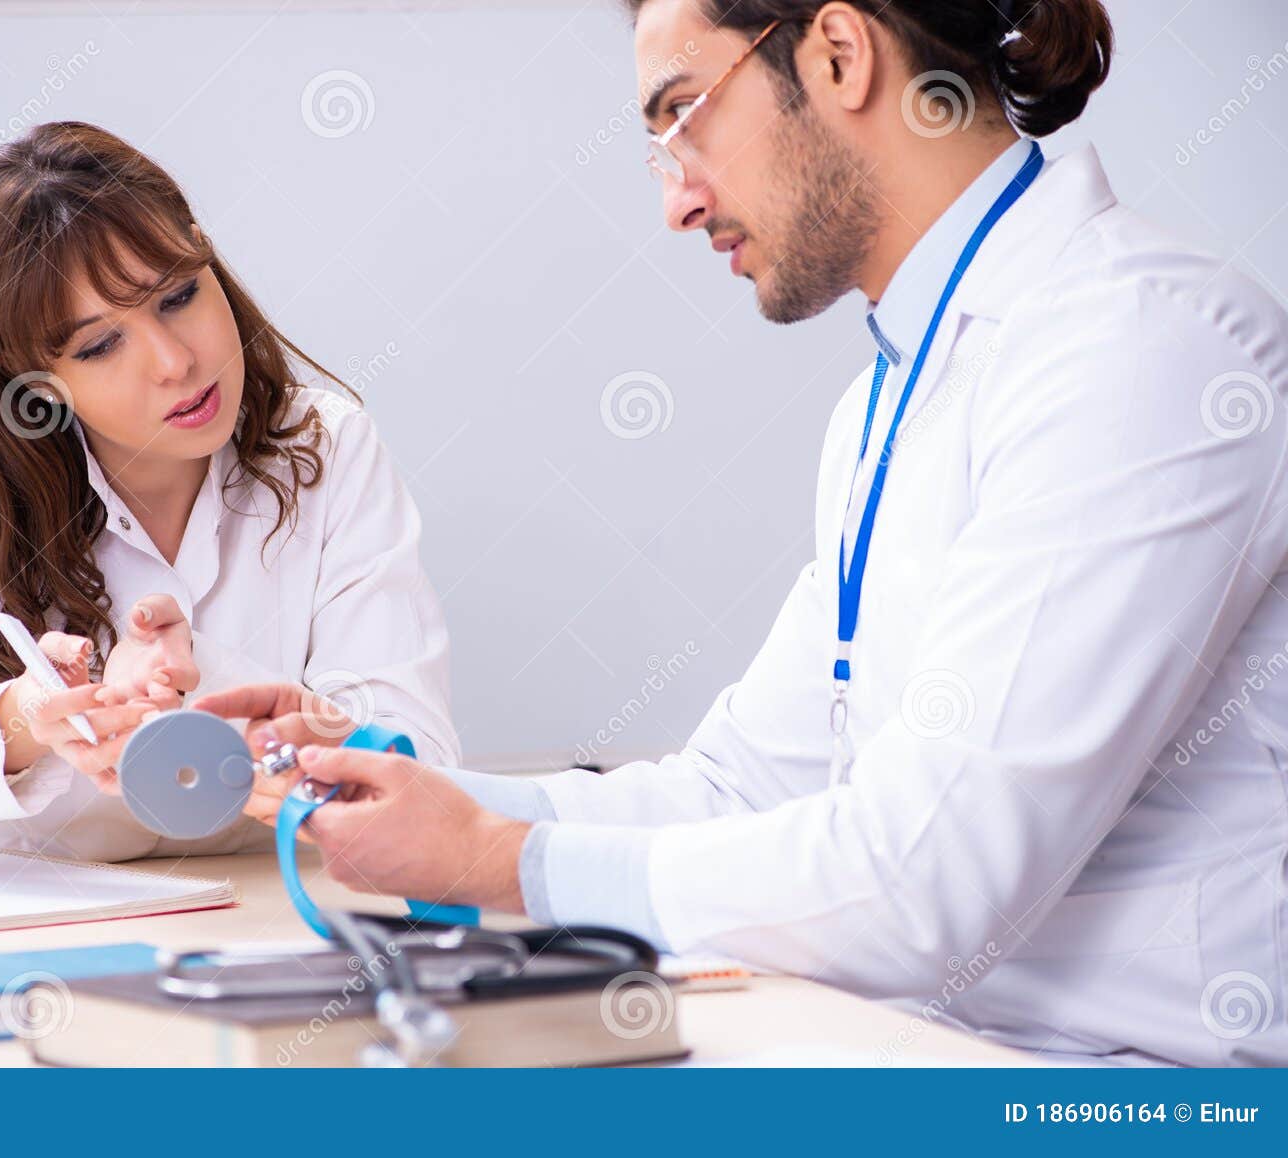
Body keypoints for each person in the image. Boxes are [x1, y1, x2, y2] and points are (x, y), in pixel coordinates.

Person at [210, 0, 1288, 1066]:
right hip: (929, 1051)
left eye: (684, 114)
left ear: (836, 52)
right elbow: (740, 787)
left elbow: (926, 883)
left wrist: (503, 862)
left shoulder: (1142, 346)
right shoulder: (893, 394)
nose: (676, 203)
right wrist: (392, 785)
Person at [0, 122, 459, 876]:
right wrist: (26, 718)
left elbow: (418, 773)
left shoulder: (327, 448)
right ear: (33, 379)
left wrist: (201, 675)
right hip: (29, 956)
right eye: (101, 346)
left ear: (206, 255)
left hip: (270, 933)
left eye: (179, 295)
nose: (177, 362)